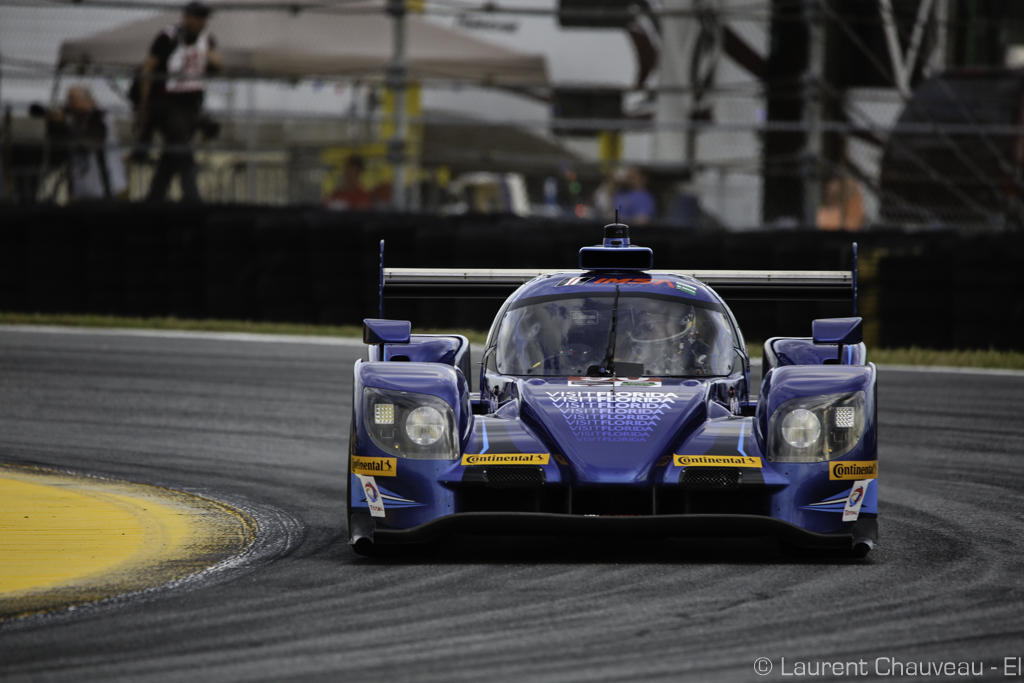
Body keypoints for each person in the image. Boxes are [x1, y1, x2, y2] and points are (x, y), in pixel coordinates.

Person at [137, 1, 222, 203]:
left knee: (172, 151)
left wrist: (207, 56)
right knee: (182, 148)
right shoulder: (169, 37)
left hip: (191, 105)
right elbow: (148, 69)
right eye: (197, 18)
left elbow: (218, 64)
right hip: (168, 103)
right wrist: (144, 103)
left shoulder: (206, 40)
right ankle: (192, 197)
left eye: (203, 19)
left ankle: (154, 197)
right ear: (186, 18)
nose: (202, 23)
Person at [43, 86, 127, 201]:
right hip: (83, 189)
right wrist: (54, 125)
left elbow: (86, 143)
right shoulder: (77, 122)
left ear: (87, 100)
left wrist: (61, 125)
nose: (70, 106)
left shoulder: (98, 118)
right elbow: (60, 147)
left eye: (73, 101)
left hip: (103, 187)